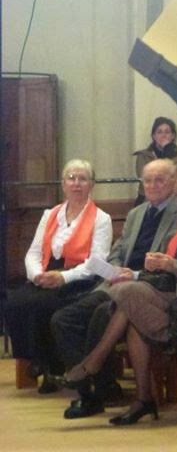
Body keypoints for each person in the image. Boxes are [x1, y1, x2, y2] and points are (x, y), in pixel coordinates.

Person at [63, 164, 177, 426]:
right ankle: (141, 398)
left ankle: (96, 364)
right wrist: (157, 266)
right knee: (132, 308)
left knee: (127, 293)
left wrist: (172, 265)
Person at [51, 158, 177, 418]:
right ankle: (91, 389)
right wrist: (113, 271)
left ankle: (96, 390)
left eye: (159, 180)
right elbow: (117, 251)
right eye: (148, 180)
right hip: (115, 283)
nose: (153, 185)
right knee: (63, 319)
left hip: (149, 286)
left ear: (172, 183)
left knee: (101, 316)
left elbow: (172, 261)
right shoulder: (137, 213)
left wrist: (134, 274)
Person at [4, 159, 112, 393]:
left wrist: (63, 278)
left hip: (78, 278)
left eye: (82, 178)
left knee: (44, 304)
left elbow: (96, 263)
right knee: (14, 302)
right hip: (46, 273)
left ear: (91, 184)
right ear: (63, 184)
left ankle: (51, 367)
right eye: (71, 178)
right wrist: (37, 275)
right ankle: (35, 360)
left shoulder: (101, 219)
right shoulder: (50, 214)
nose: (76, 183)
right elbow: (32, 252)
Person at [132, 116, 177, 205]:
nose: (163, 135)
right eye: (159, 132)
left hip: (175, 199)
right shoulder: (143, 155)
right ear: (154, 136)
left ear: (173, 136)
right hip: (147, 199)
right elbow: (145, 177)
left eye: (167, 132)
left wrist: (167, 150)